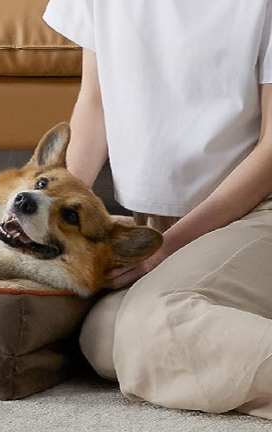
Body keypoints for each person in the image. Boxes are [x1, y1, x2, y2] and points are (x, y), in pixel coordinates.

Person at [43, 0, 272, 418]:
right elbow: (95, 102)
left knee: (149, 327)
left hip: (256, 213)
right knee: (102, 336)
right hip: (161, 227)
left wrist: (165, 248)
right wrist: (51, 212)